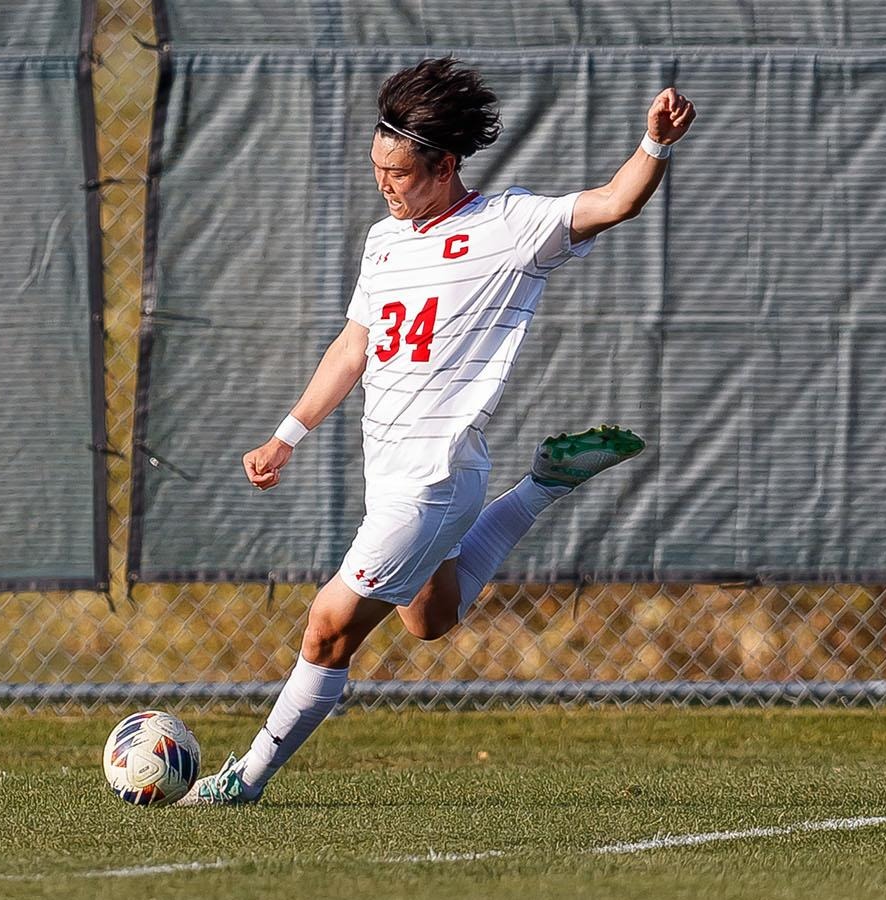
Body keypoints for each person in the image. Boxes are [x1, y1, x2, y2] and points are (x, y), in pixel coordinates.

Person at [177, 57, 695, 805]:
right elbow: (353, 346)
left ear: (446, 164)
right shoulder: (383, 242)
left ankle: (243, 780)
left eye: (400, 173)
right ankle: (543, 484)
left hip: (432, 478)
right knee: (430, 617)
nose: (385, 184)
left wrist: (654, 145)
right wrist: (287, 434)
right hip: (390, 472)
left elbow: (615, 202)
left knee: (327, 629)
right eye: (377, 168)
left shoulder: (507, 226)